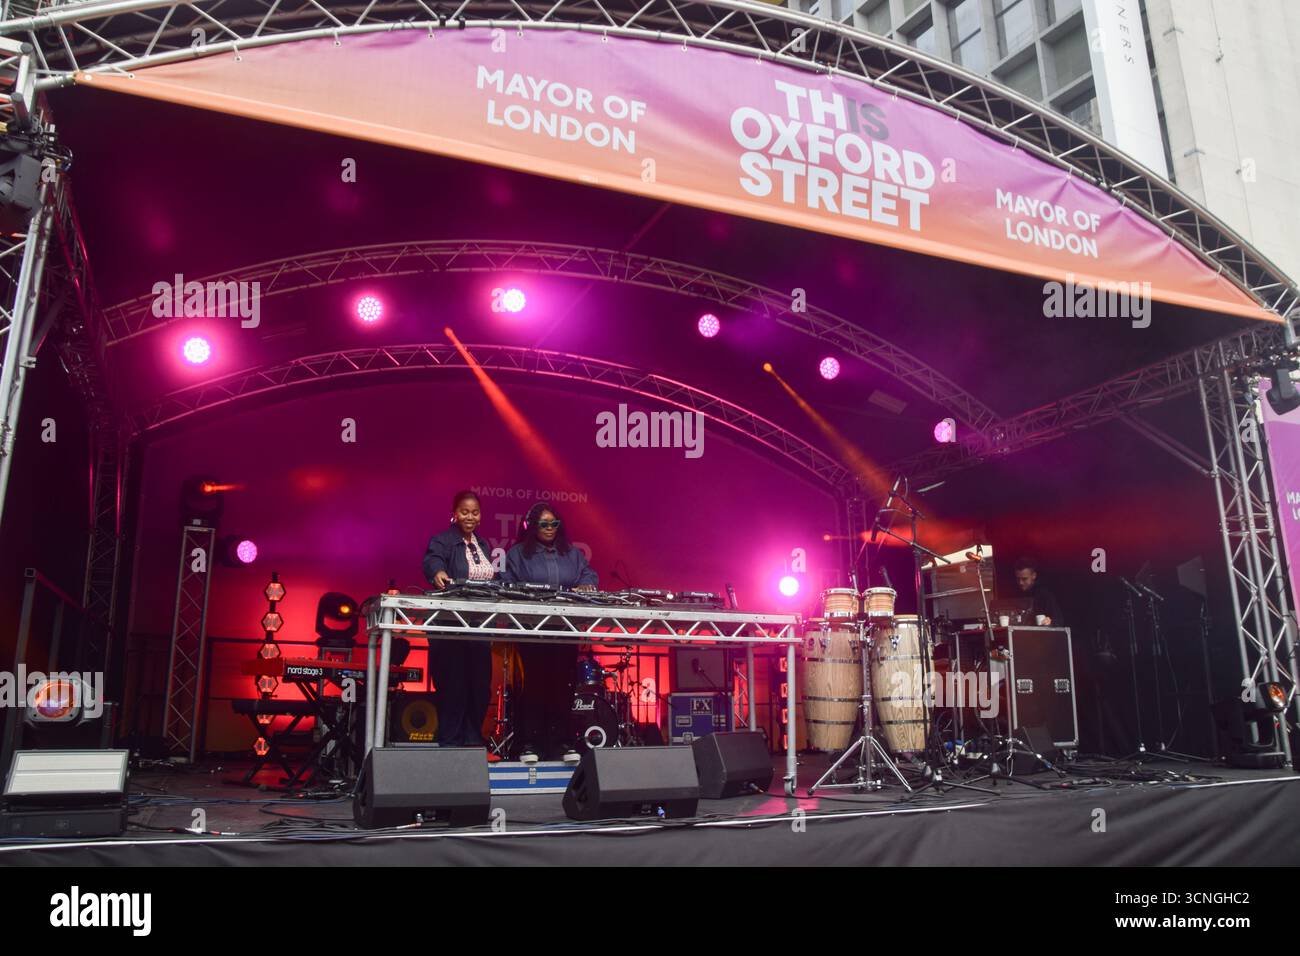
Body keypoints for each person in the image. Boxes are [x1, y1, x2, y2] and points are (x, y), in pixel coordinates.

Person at [503, 502, 598, 759]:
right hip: (532, 630)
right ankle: (528, 744)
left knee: (562, 688)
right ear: (532, 526)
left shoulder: (572, 553)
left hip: (564, 631)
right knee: (533, 687)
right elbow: (507, 584)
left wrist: (587, 585)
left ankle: (562, 744)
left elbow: (589, 575)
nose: (549, 528)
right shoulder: (518, 553)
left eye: (553, 523)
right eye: (543, 524)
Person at [421, 490, 497, 748]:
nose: (470, 517)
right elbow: (432, 560)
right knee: (453, 688)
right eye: (465, 511)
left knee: (479, 687)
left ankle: (473, 742)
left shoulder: (483, 544)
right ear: (454, 513)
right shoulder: (442, 540)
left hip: (479, 626)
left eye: (475, 512)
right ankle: (451, 746)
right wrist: (437, 572)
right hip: (450, 624)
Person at [1013, 556, 1065, 626]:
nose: (1020, 582)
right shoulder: (1014, 594)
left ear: (1034, 576)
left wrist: (1050, 622)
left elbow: (1059, 621)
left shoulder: (1044, 595)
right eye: (1018, 579)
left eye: (1024, 579)